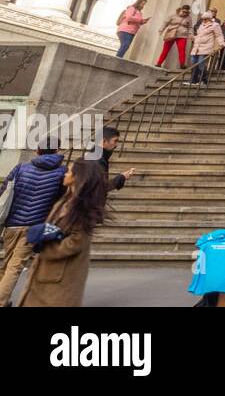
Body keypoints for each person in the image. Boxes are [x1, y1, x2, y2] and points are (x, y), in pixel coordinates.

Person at [17, 158, 108, 307]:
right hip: (47, 276)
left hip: (59, 281)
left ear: (77, 178)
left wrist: (46, 248)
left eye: (69, 171)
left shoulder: (81, 209)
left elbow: (76, 242)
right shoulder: (67, 200)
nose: (65, 174)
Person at [0, 145, 65, 306]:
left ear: (37, 151)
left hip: (12, 224)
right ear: (57, 150)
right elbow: (61, 199)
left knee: (7, 263)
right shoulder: (61, 172)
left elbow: (4, 189)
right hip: (34, 227)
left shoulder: (21, 168)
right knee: (15, 267)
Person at [189, 9, 225, 85]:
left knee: (201, 64)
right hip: (197, 47)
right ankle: (194, 80)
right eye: (203, 19)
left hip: (206, 47)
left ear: (209, 19)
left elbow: (219, 35)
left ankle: (204, 80)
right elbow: (200, 36)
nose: (204, 20)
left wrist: (221, 43)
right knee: (193, 63)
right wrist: (194, 37)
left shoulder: (215, 25)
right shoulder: (201, 25)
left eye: (205, 19)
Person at [98, 127, 134, 193]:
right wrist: (122, 177)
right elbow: (100, 187)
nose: (116, 145)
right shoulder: (98, 160)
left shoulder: (99, 157)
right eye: (115, 141)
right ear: (104, 141)